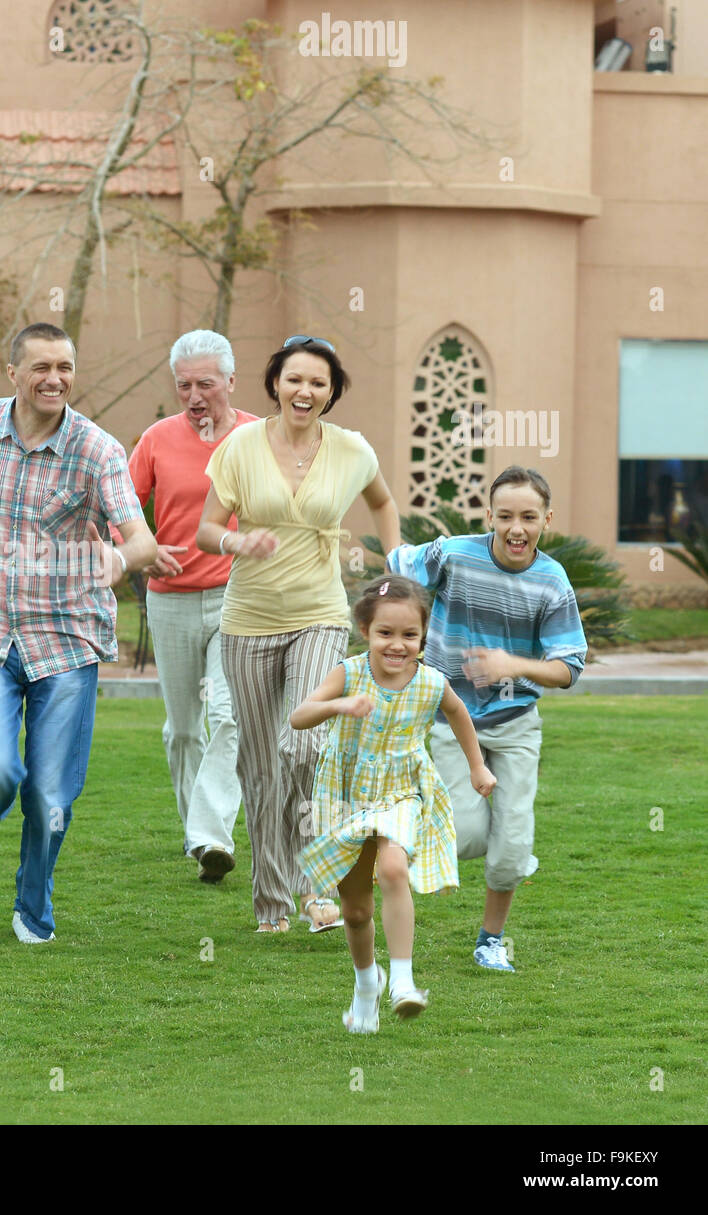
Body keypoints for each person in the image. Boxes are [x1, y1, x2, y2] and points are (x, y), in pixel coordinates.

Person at [0, 322, 156, 944]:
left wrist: (118, 559)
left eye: (65, 367)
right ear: (13, 372)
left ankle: (32, 908)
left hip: (66, 637)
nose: (55, 379)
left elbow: (142, 540)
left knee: (51, 794)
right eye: (42, 367)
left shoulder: (96, 449)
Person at [196, 335, 402, 933]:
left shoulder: (351, 449)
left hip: (320, 615)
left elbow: (384, 503)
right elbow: (206, 530)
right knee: (261, 768)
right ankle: (271, 904)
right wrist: (237, 540)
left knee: (306, 746)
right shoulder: (239, 446)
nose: (305, 391)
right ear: (276, 385)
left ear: (331, 392)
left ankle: (317, 886)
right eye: (294, 379)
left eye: (318, 382)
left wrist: (396, 564)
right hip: (248, 622)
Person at [387, 466, 586, 972]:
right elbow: (397, 567)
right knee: (468, 837)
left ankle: (490, 940)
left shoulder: (552, 581)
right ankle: (473, 837)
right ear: (489, 516)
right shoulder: (454, 555)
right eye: (505, 516)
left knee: (510, 852)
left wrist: (512, 664)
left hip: (516, 722)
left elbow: (569, 668)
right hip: (453, 720)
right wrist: (397, 639)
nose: (516, 528)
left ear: (547, 520)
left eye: (529, 517)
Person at [292, 576, 496, 1033]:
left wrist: (477, 767)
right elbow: (299, 716)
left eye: (410, 635)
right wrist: (339, 706)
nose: (397, 645)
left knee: (393, 868)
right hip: (344, 795)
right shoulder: (349, 673)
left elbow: (458, 713)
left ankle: (403, 982)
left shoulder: (430, 682)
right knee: (356, 912)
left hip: (401, 792)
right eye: (386, 633)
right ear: (366, 630)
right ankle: (367, 983)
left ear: (423, 638)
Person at [127, 330, 257, 882]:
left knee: (228, 716)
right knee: (183, 730)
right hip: (171, 601)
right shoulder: (157, 439)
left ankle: (211, 836)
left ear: (231, 381)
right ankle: (196, 835)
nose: (195, 396)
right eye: (184, 386)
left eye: (206, 383)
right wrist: (143, 550)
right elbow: (119, 508)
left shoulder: (260, 438)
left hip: (239, 596)